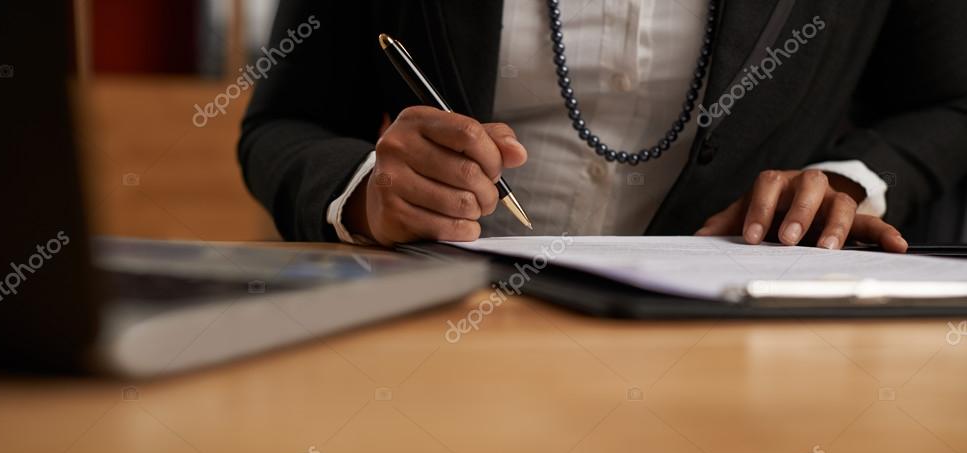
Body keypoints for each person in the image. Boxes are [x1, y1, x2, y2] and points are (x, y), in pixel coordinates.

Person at [238, 1, 967, 252]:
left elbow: (947, 102)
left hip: (734, 354)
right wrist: (368, 191)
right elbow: (285, 122)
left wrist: (845, 183)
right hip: (434, 332)